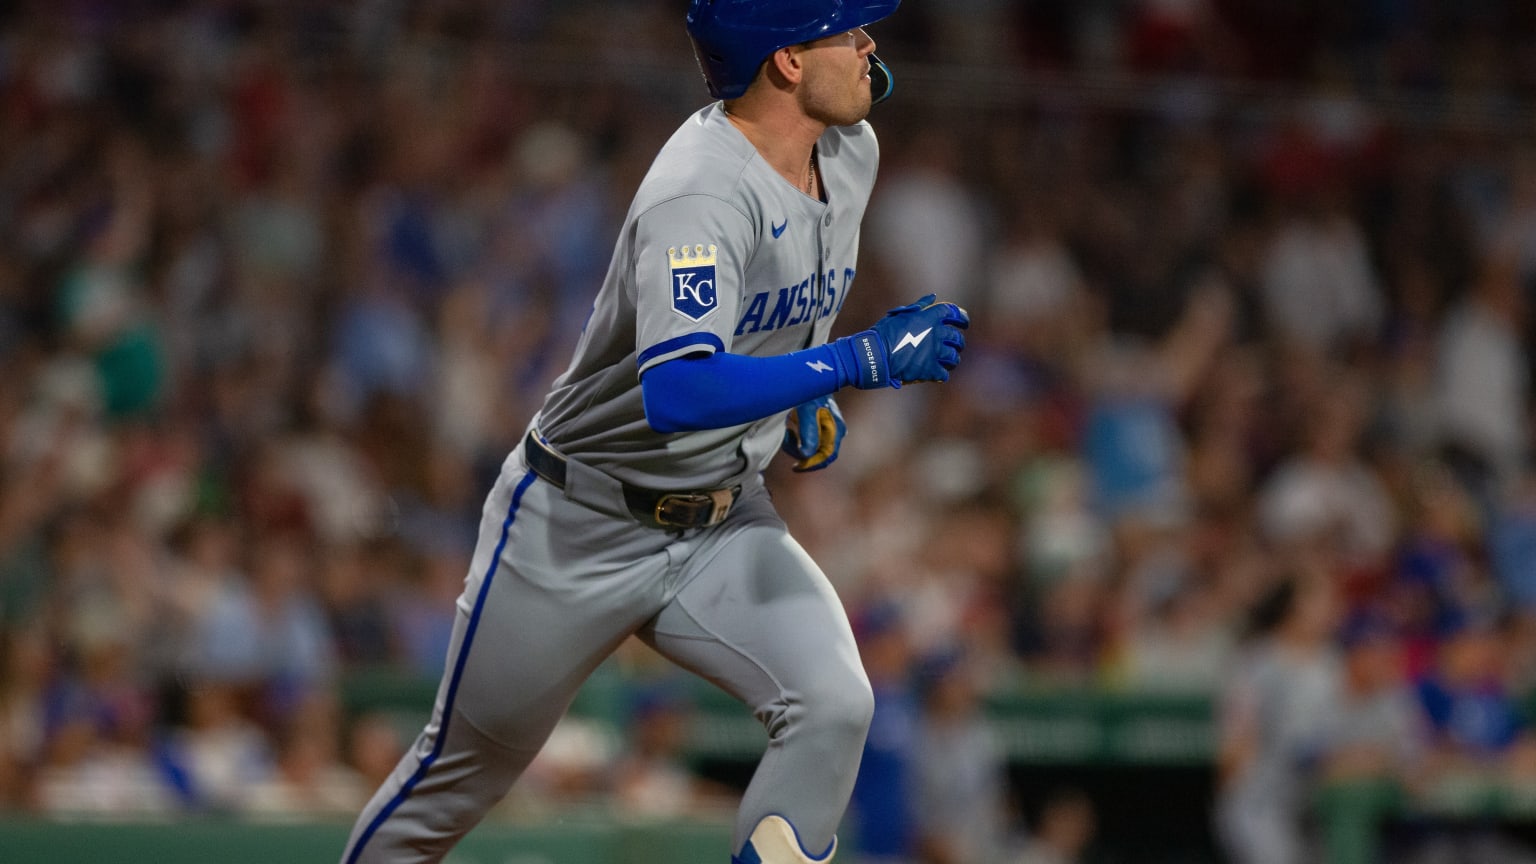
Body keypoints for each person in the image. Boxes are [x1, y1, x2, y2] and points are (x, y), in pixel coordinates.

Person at [339, 2, 970, 863]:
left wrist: (799, 395)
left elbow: (788, 310)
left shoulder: (850, 153)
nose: (870, 44)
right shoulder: (699, 189)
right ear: (786, 60)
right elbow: (677, 389)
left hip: (722, 524)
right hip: (576, 525)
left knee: (835, 703)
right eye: (848, 29)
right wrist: (854, 363)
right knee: (451, 785)